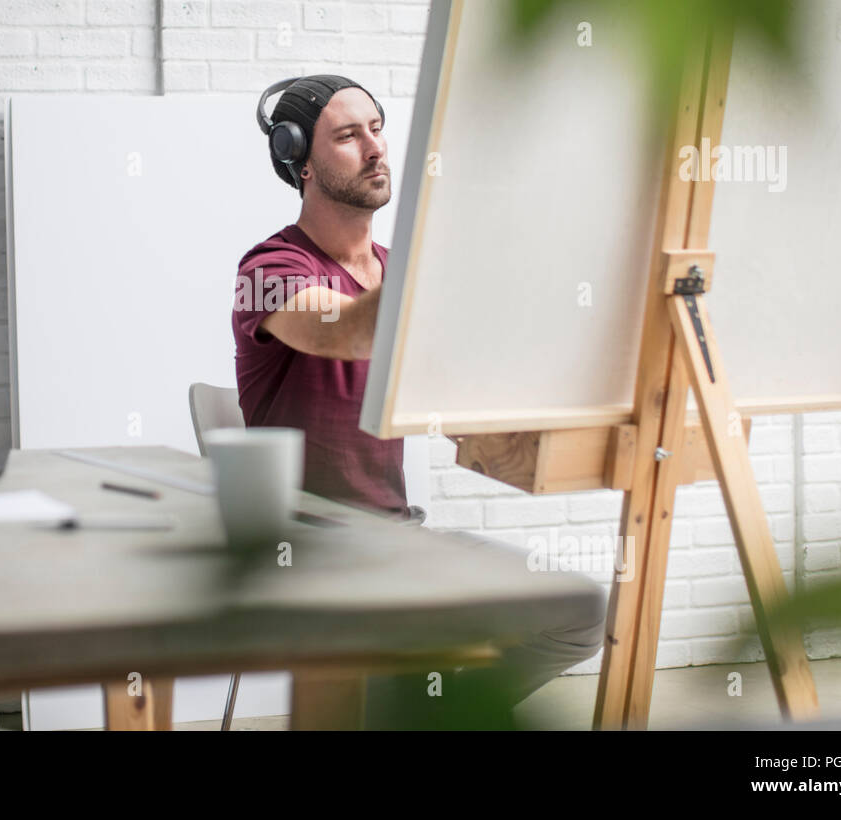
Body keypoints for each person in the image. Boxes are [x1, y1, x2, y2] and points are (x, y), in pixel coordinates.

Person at [231, 75, 607, 723]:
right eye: (348, 136)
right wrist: (446, 250)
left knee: (578, 611)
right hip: (312, 551)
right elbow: (348, 329)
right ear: (301, 163)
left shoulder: (396, 267)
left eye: (377, 129)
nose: (375, 148)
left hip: (397, 538)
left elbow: (468, 368)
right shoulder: (269, 271)